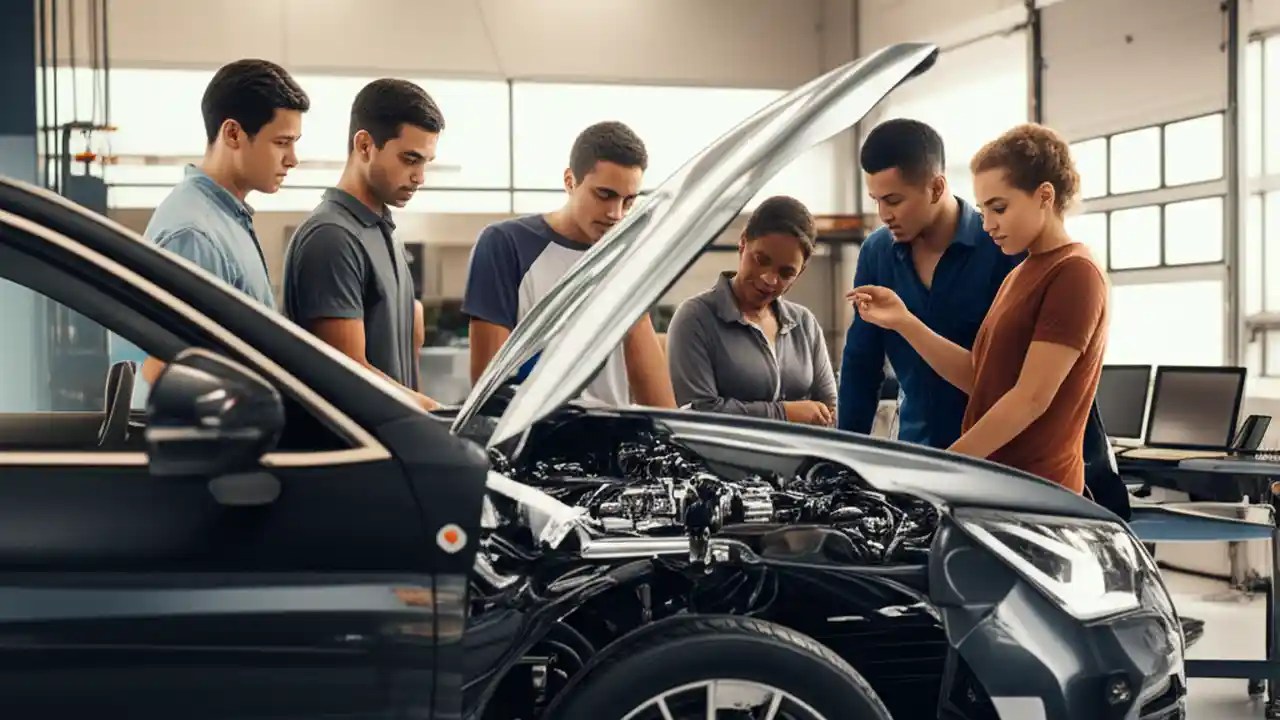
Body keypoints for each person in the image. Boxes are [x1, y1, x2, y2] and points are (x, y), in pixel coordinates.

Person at [849, 123, 1108, 494]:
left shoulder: (1075, 273)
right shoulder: (1020, 273)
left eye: (999, 208)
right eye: (983, 210)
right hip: (991, 483)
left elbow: (1030, 398)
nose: (987, 225)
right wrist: (905, 322)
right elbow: (980, 379)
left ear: (1045, 196)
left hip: (1035, 491)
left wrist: (943, 469)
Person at [462, 121, 675, 408]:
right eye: (604, 195)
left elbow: (657, 398)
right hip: (533, 441)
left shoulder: (627, 256)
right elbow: (489, 386)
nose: (616, 214)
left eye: (628, 201)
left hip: (610, 440)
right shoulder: (504, 243)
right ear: (569, 181)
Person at [838, 118, 1020, 448]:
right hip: (918, 452)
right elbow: (861, 364)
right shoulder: (876, 252)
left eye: (893, 201)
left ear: (936, 188)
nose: (883, 214)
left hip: (1000, 456)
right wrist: (843, 456)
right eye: (875, 200)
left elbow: (1016, 381)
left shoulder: (1001, 245)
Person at [129, 58, 310, 387]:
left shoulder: (227, 219)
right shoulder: (195, 236)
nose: (293, 159)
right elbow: (166, 375)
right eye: (282, 142)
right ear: (232, 134)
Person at [281, 79, 442, 411]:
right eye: (410, 159)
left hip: (398, 449)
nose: (420, 177)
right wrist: (439, 416)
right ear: (365, 145)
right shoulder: (332, 237)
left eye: (426, 162)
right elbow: (349, 379)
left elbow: (404, 376)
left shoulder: (386, 232)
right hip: (357, 457)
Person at [666, 196, 836, 425]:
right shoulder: (696, 318)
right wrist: (786, 413)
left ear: (801, 271)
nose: (769, 279)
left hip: (800, 459)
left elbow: (830, 409)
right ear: (743, 242)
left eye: (786, 273)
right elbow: (699, 413)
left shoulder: (804, 323)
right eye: (761, 260)